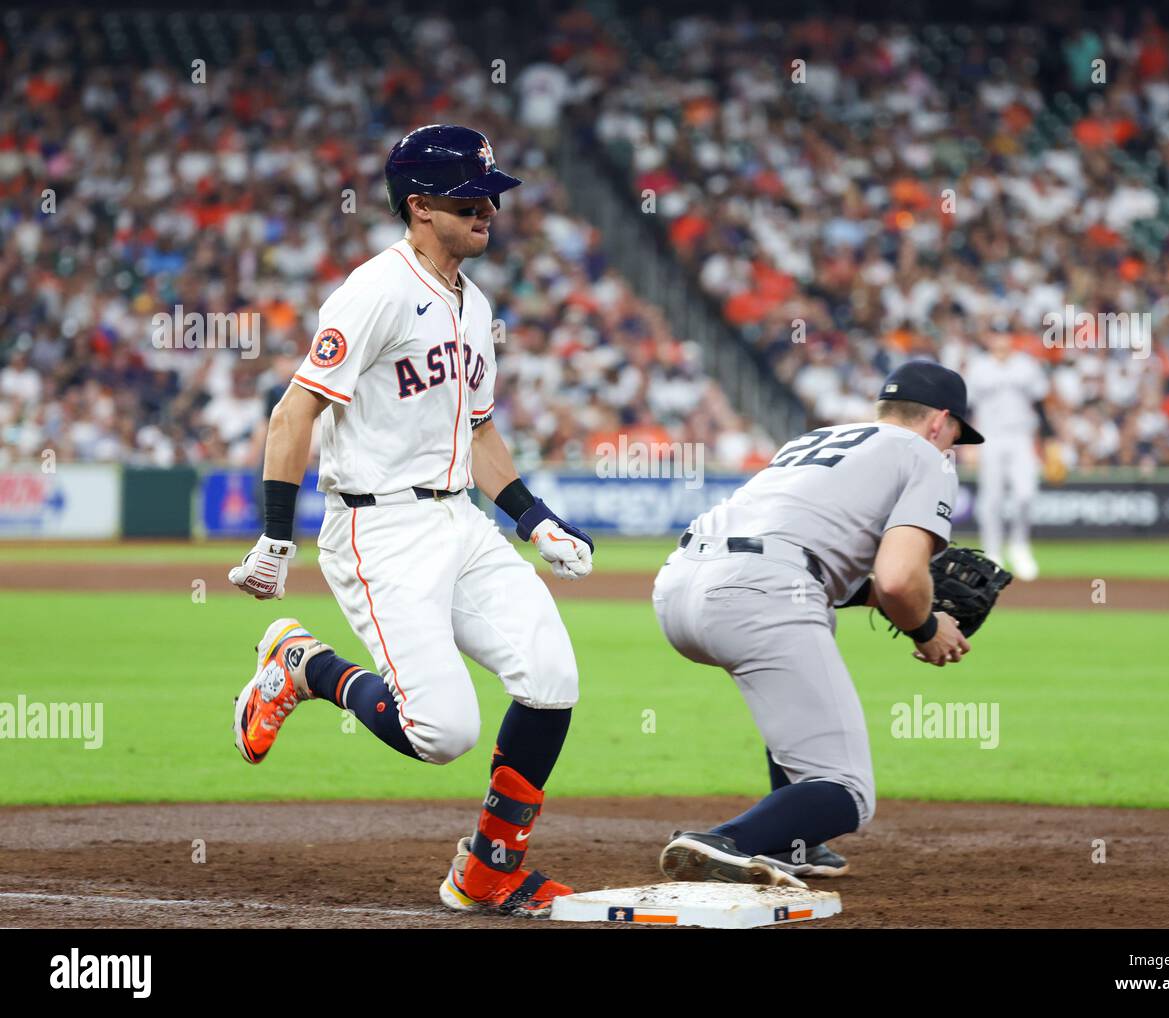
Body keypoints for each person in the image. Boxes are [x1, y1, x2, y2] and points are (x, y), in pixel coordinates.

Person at [227, 125, 593, 918]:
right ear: (419, 206)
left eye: (492, 195)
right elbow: (293, 415)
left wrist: (536, 521)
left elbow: (482, 434)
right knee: (442, 732)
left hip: (459, 520)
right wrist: (274, 536)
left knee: (553, 677)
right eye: (470, 197)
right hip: (379, 528)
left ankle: (490, 872)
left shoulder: (474, 303)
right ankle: (301, 664)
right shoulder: (377, 290)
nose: (488, 209)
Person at [651, 361, 980, 885]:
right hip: (761, 594)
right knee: (849, 793)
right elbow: (898, 580)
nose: (952, 448)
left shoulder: (822, 438)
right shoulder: (926, 455)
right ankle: (723, 843)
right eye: (956, 437)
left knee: (808, 643)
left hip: (678, 587)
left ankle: (795, 844)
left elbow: (815, 561)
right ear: (940, 422)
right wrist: (925, 629)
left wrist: (898, 603)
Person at [966, 329, 1051, 580]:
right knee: (991, 497)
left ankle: (1019, 545)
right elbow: (969, 407)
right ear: (989, 339)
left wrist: (1048, 438)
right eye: (996, 335)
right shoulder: (978, 366)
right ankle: (992, 552)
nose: (1001, 340)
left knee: (1026, 494)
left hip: (1021, 436)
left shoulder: (1026, 365)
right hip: (989, 436)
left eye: (1005, 334)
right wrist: (968, 443)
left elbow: (1040, 403)